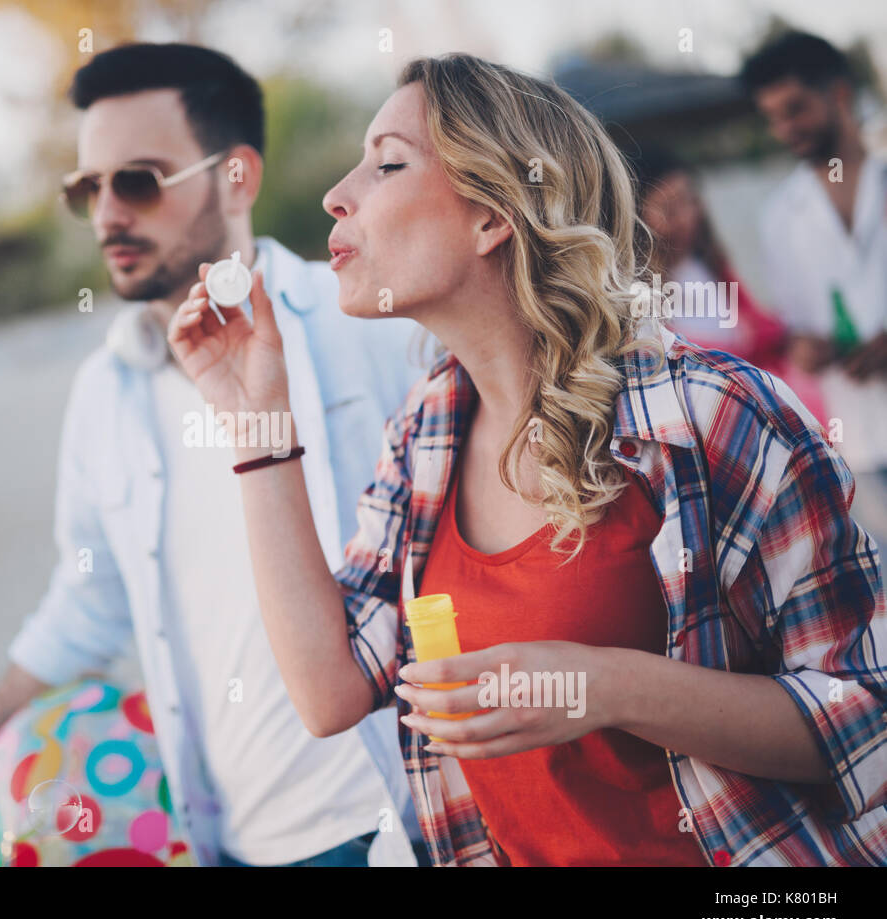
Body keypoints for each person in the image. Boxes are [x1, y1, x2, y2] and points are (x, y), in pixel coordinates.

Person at [167, 52, 887, 866]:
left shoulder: (710, 414)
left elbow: (864, 716)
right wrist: (258, 418)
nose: (338, 193)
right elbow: (329, 691)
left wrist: (597, 686)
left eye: (388, 162)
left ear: (492, 216)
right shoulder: (423, 438)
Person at [0, 42, 430, 867]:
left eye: (136, 180)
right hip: (224, 841)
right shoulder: (105, 391)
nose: (107, 214)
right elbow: (90, 594)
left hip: (398, 817)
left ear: (236, 176)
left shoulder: (376, 319)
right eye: (85, 188)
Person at [743, 31, 887, 549]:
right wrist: (807, 347)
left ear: (840, 95)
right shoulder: (780, 217)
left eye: (796, 109)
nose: (785, 128)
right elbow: (796, 329)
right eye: (774, 116)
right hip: (864, 439)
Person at [628, 145, 827, 423]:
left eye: (690, 201)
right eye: (670, 210)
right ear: (637, 219)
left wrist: (792, 338)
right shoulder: (638, 300)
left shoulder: (712, 265)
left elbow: (756, 330)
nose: (686, 218)